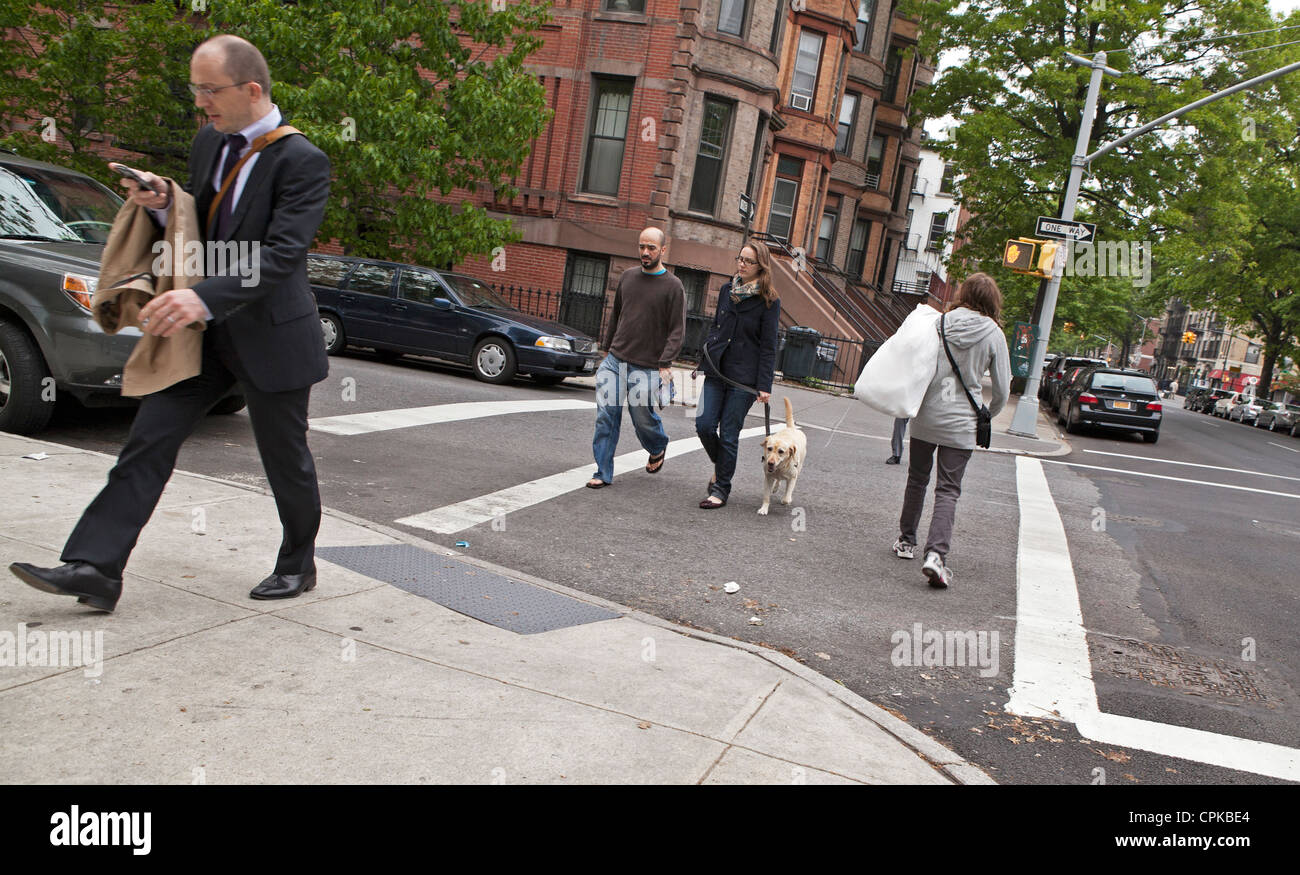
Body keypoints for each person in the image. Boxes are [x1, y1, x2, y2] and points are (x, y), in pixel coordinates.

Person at [9, 35, 331, 611]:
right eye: (195, 89)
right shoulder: (210, 141)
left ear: (250, 90)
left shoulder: (302, 161)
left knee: (285, 458)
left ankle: (297, 563)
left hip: (270, 334)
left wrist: (201, 297)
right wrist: (161, 202)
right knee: (147, 439)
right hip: (203, 336)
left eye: (209, 90)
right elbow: (203, 223)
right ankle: (94, 568)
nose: (200, 102)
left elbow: (280, 256)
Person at [891, 273, 1010, 588]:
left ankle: (906, 542)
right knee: (948, 490)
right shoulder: (994, 334)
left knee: (917, 479)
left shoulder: (939, 323)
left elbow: (920, 363)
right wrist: (985, 414)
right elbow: (1002, 391)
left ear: (964, 293)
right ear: (992, 300)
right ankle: (935, 556)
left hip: (927, 415)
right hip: (961, 424)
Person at [587, 227, 686, 488]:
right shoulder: (628, 277)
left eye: (651, 247)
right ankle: (602, 472)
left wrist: (666, 363)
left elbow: (677, 329)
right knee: (606, 416)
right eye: (642, 246)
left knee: (641, 414)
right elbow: (616, 314)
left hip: (649, 365)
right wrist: (607, 348)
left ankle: (657, 445)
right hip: (615, 360)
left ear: (663, 250)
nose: (645, 252)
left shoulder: (673, 286)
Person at [695, 241, 780, 508]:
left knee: (729, 433)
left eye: (748, 261)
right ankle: (721, 467)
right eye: (739, 259)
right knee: (704, 425)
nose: (741, 264)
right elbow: (717, 327)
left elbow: (768, 345)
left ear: (760, 266)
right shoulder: (725, 291)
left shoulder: (769, 301)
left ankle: (720, 489)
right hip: (716, 369)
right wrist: (706, 352)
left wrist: (764, 385)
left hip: (744, 379)